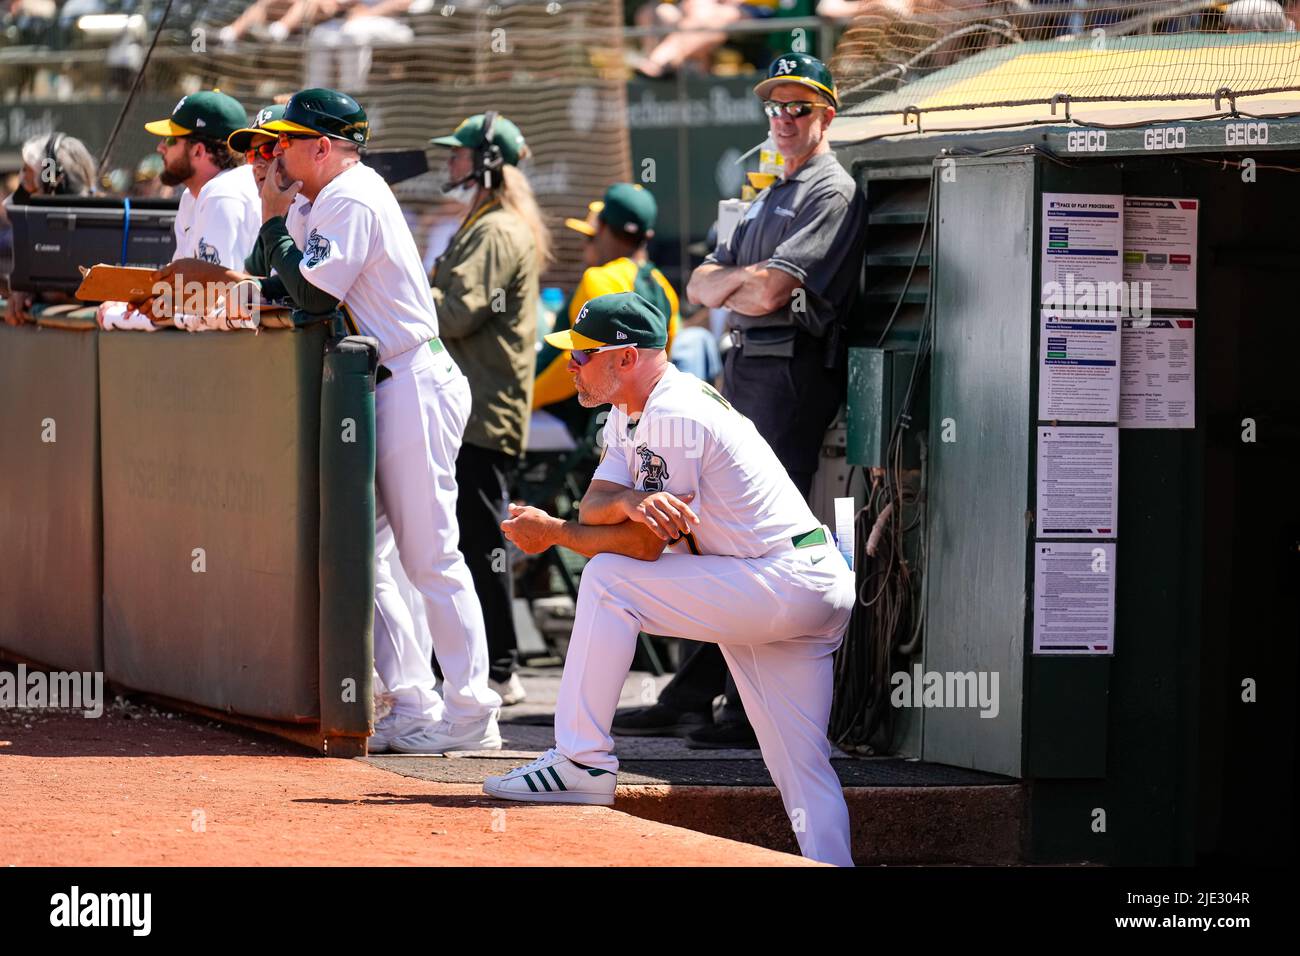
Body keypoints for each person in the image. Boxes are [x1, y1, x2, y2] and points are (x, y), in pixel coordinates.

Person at [154, 89, 503, 753]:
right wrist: (274, 217)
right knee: (357, 555)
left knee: (432, 556)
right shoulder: (318, 199)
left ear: (322, 145)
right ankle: (414, 701)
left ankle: (472, 712)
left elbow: (312, 295)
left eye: (284, 141)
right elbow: (273, 279)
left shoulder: (354, 193)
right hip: (381, 386)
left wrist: (278, 219)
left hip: (412, 380)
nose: (273, 151)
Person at [489, 291, 856, 867]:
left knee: (610, 578)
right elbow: (597, 505)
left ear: (626, 357)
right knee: (802, 769)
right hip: (780, 582)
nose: (571, 365)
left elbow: (638, 546)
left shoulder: (674, 415)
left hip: (780, 580)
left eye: (583, 355)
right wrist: (632, 500)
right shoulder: (628, 409)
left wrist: (557, 532)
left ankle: (581, 758)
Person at [427, 112, 552, 707]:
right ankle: (483, 664)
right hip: (471, 409)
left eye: (460, 152)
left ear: (487, 161)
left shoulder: (497, 229)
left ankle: (499, 667)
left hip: (480, 413)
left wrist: (400, 292)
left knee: (479, 542)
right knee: (469, 539)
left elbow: (455, 314)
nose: (449, 161)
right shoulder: (484, 221)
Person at [103, 91, 262, 332]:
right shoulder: (193, 195)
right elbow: (184, 293)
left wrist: (123, 316)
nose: (160, 147)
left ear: (198, 151)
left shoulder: (225, 192)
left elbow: (216, 304)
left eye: (170, 140)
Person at [533, 183, 680, 441]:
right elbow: (662, 361)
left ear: (601, 228)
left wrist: (527, 397)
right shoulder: (665, 288)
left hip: (589, 421)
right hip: (642, 421)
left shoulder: (598, 279)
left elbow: (575, 363)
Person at [3, 131, 97, 326]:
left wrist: (31, 289)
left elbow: (60, 295)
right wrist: (25, 288)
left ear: (52, 181)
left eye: (26, 172)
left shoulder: (97, 231)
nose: (21, 179)